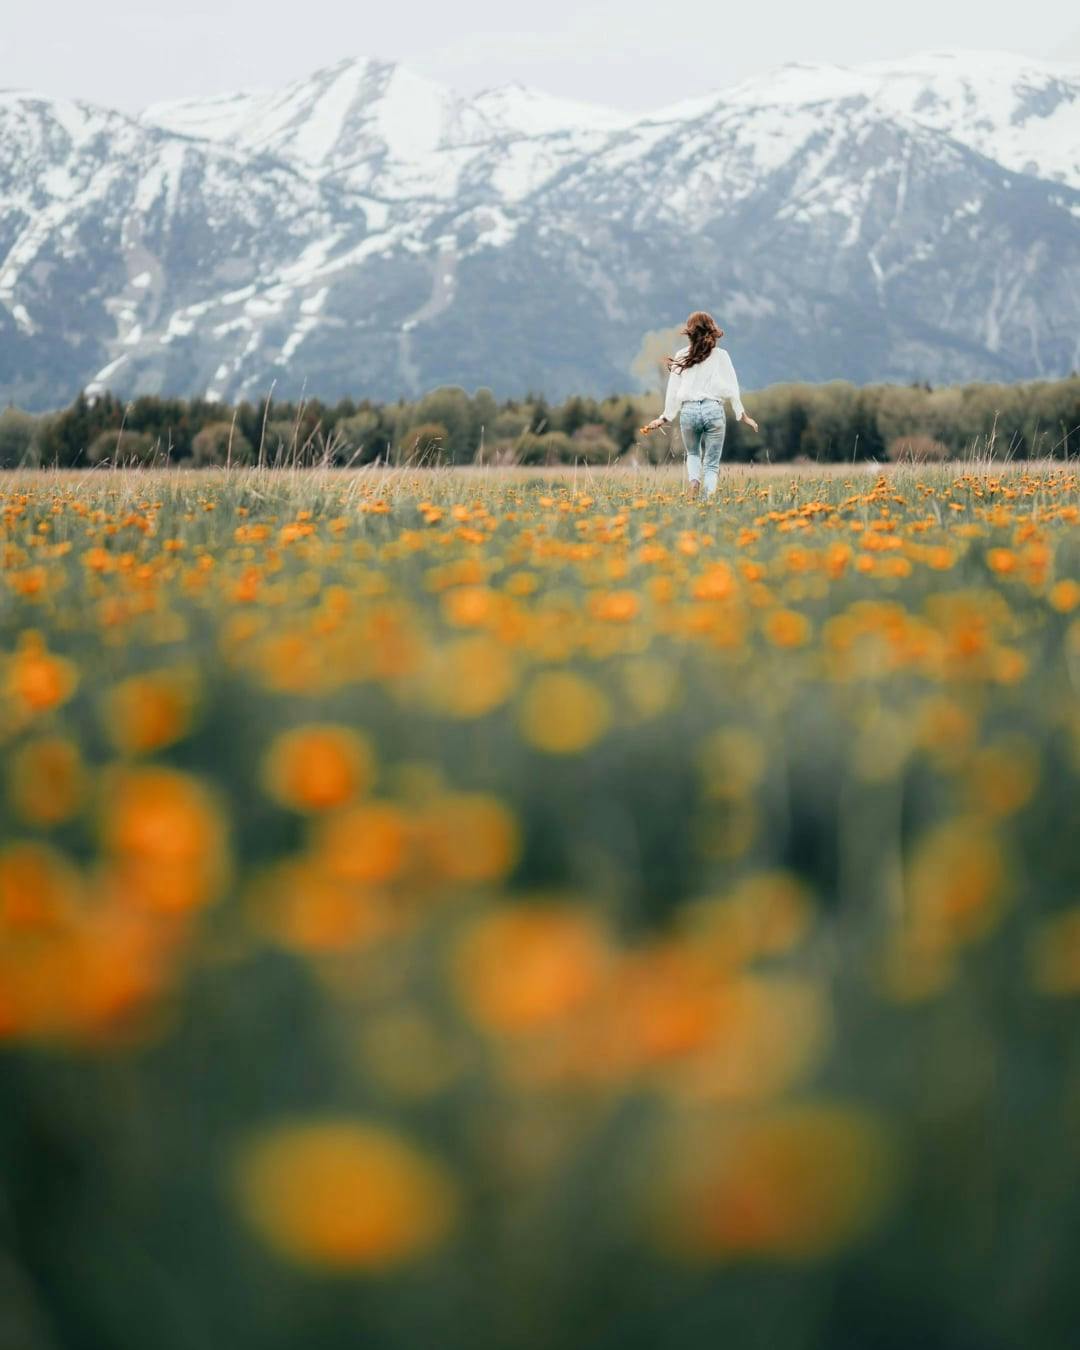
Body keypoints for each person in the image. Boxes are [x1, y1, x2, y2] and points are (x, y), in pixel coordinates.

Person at [643, 311, 758, 498]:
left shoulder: (682, 355)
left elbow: (673, 391)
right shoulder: (722, 356)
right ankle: (707, 500)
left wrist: (665, 417)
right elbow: (732, 387)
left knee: (693, 454)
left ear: (690, 332)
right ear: (712, 330)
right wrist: (742, 414)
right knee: (711, 464)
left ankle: (694, 481)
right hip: (713, 409)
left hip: (689, 411)